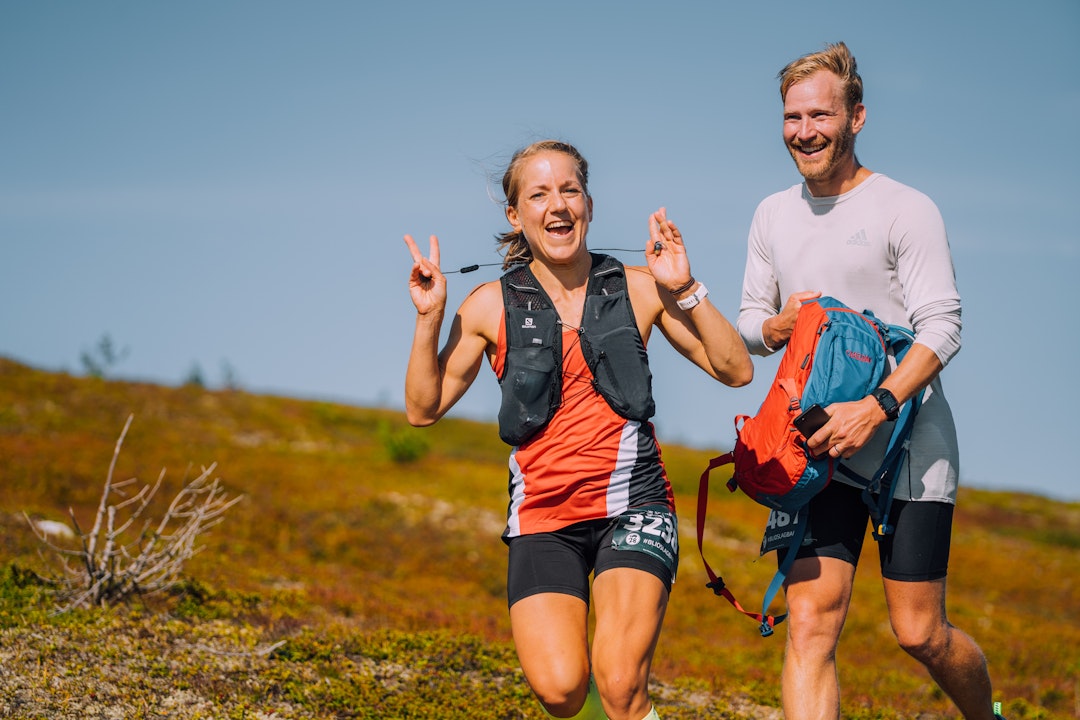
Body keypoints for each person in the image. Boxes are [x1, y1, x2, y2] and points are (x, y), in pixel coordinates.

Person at [404, 140, 753, 720]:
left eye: (569, 189)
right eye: (538, 194)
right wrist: (429, 317)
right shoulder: (489, 305)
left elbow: (735, 369)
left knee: (619, 684)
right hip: (543, 516)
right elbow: (423, 406)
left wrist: (685, 287)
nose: (557, 205)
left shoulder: (640, 287)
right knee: (562, 689)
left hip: (633, 506)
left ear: (589, 203)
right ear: (516, 215)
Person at [736, 42, 1001, 720]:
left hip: (907, 439)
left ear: (857, 117)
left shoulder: (905, 208)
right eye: (793, 117)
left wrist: (876, 406)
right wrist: (774, 328)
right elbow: (748, 325)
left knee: (920, 632)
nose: (805, 131)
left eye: (821, 115)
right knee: (809, 621)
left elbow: (944, 326)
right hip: (817, 447)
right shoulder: (772, 214)